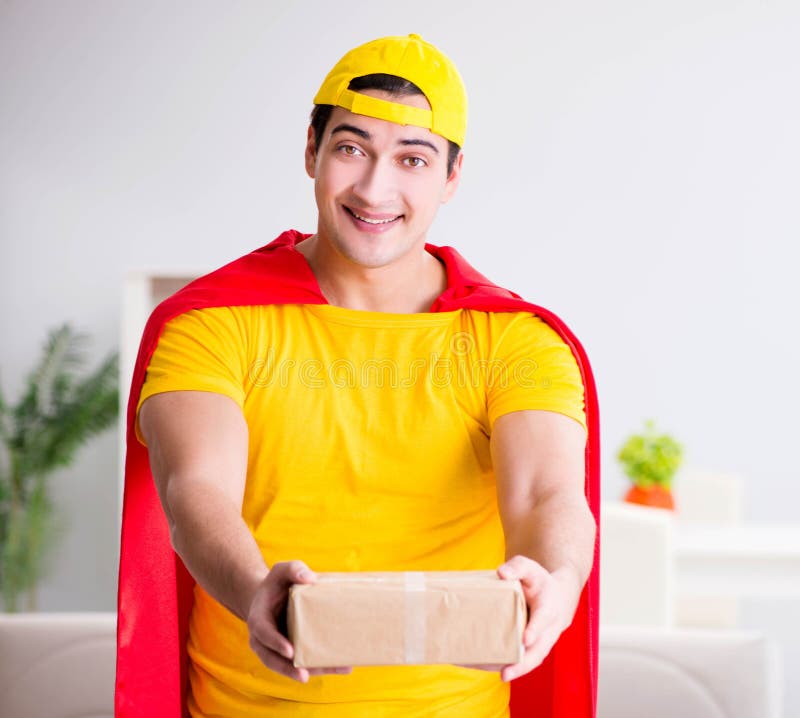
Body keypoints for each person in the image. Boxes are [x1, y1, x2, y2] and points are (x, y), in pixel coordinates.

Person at [115, 34, 600, 718]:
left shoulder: (516, 341)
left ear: (451, 178)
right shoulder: (212, 323)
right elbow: (195, 488)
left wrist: (559, 579)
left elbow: (546, 494)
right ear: (311, 150)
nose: (376, 188)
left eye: (412, 159)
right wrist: (257, 590)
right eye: (351, 148)